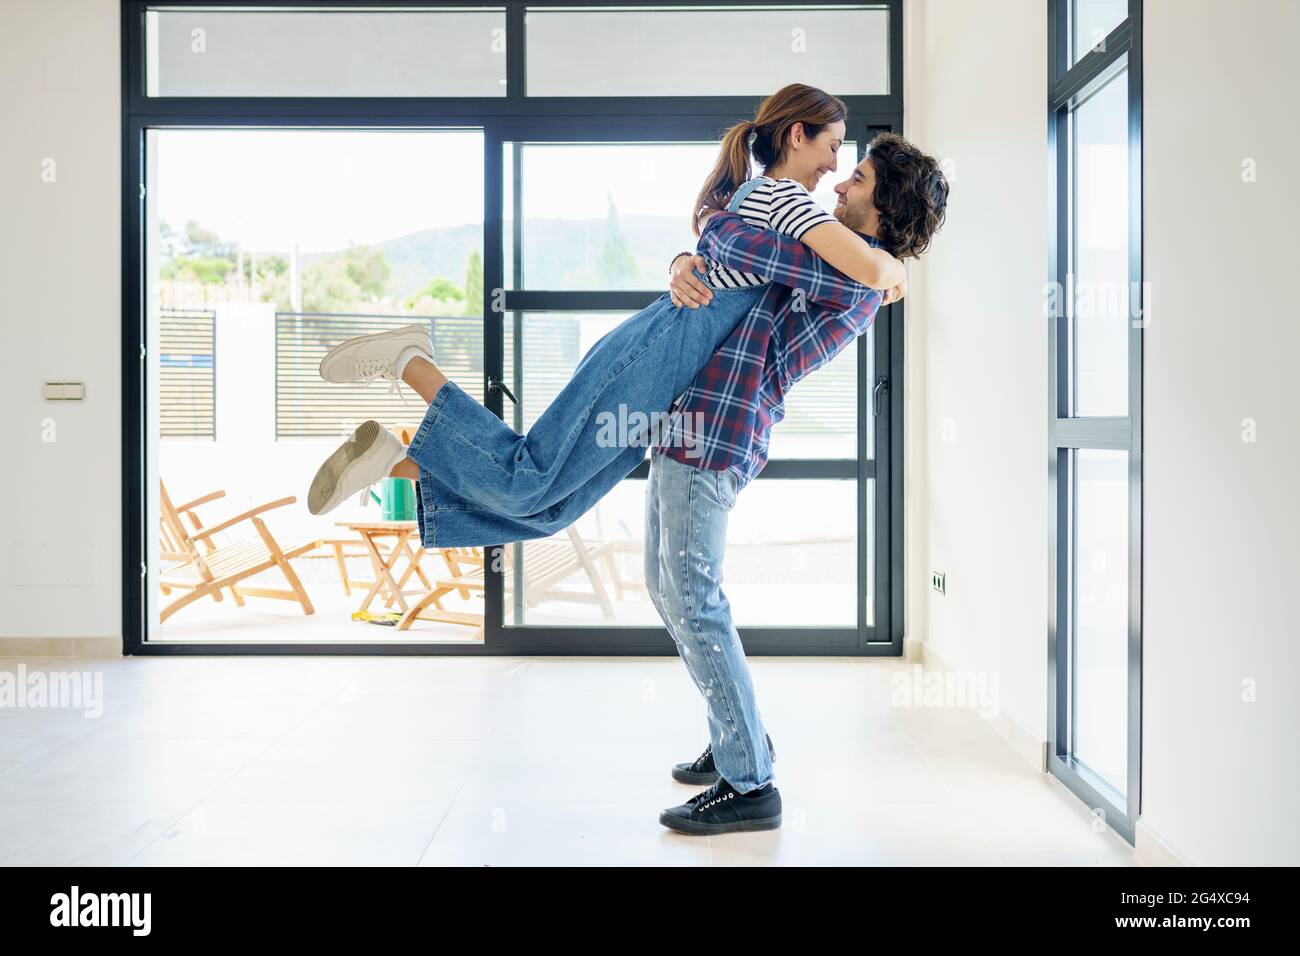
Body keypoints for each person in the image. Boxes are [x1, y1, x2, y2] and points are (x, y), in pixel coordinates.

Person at [304, 83, 906, 550]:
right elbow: (868, 273)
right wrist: (898, 270)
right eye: (833, 147)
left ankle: (394, 460)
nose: (834, 166)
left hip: (667, 370)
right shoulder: (787, 199)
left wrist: (688, 256)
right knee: (533, 478)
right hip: (659, 348)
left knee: (551, 507)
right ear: (798, 135)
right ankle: (410, 360)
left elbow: (742, 253)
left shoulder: (766, 200)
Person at [651, 132, 949, 834]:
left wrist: (705, 232)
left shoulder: (853, 273)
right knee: (670, 591)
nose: (839, 183)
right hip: (694, 424)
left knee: (694, 599)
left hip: (716, 433)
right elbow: (730, 254)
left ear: (886, 205)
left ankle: (750, 782)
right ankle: (737, 734)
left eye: (861, 179)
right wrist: (682, 259)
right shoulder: (858, 263)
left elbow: (745, 247)